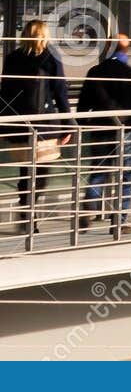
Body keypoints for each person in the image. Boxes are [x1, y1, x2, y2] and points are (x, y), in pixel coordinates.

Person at [77, 32, 131, 239]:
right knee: (125, 177)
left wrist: (79, 125)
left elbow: (84, 104)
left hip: (100, 129)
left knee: (98, 171)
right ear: (126, 50)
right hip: (126, 132)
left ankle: (88, 205)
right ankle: (119, 222)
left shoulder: (95, 72)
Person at [0, 19, 72, 234]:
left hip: (18, 125)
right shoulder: (50, 58)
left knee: (26, 170)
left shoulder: (12, 58)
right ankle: (29, 214)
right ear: (45, 35)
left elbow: (5, 92)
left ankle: (25, 213)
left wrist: (4, 126)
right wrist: (68, 125)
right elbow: (61, 92)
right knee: (41, 173)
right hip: (44, 127)